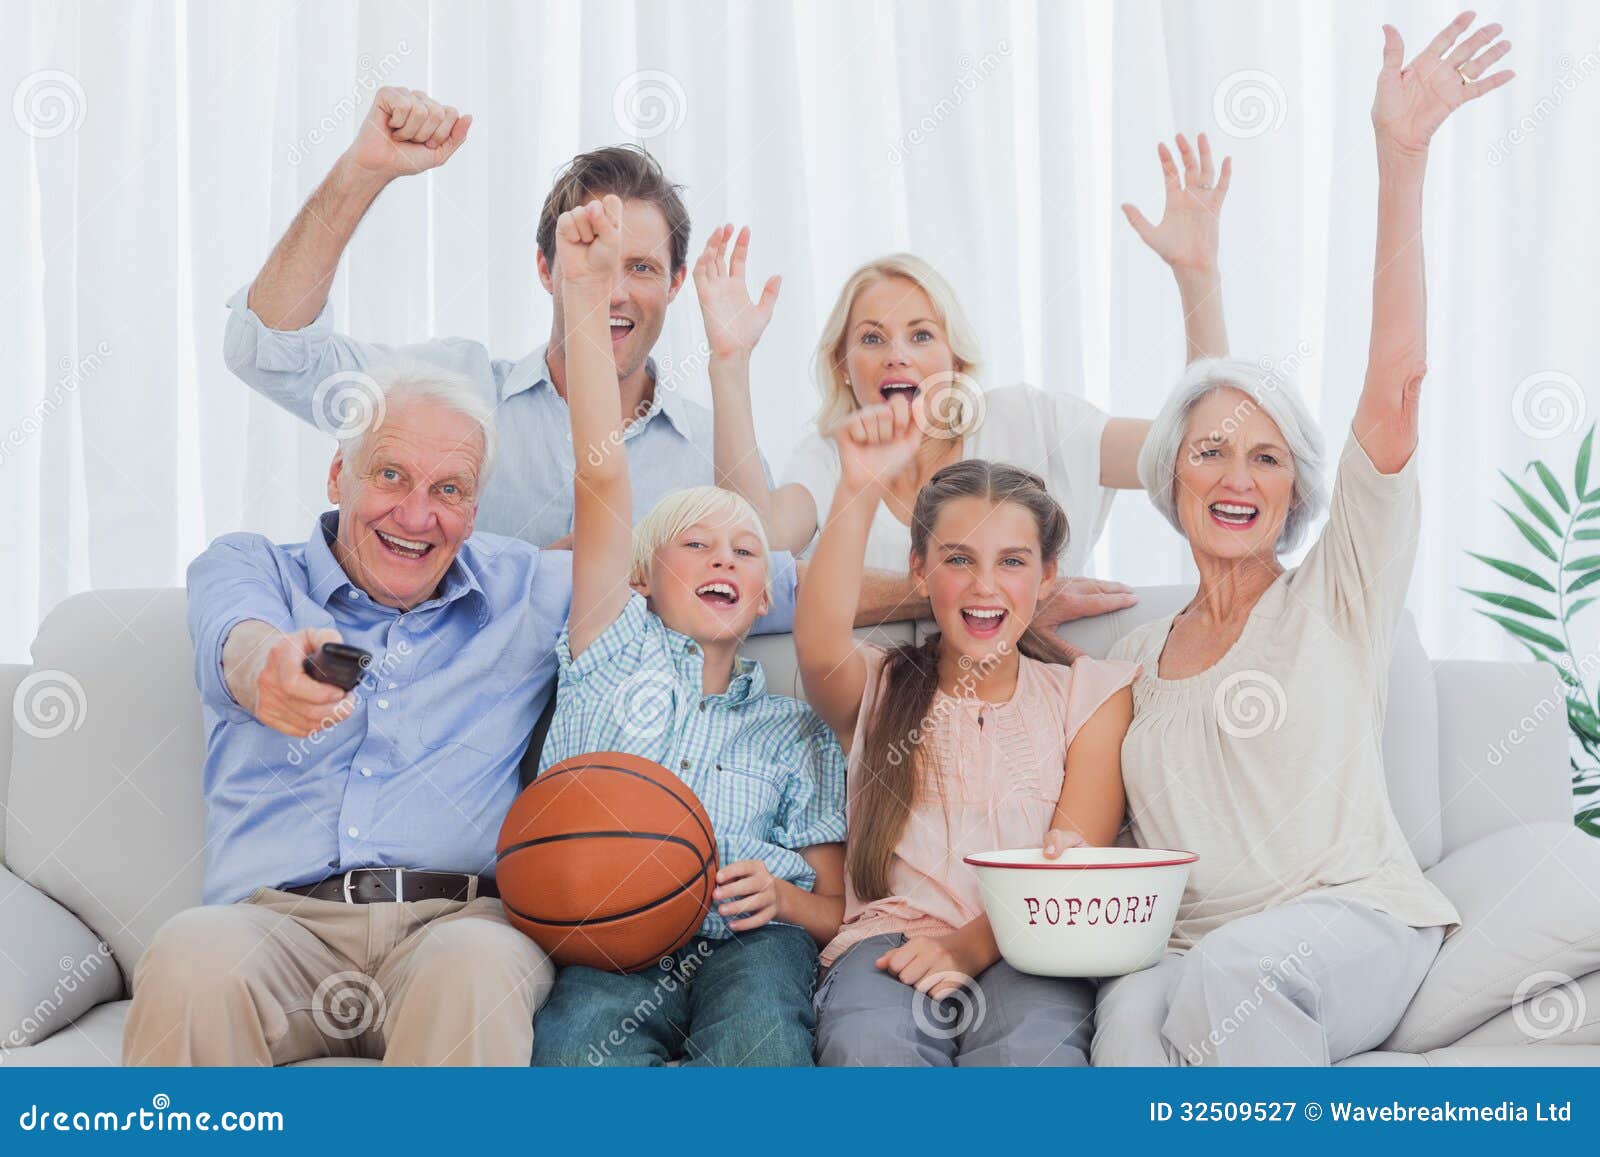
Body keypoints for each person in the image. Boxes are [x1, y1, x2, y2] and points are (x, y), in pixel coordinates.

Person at [1091, 14, 1512, 1067]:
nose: (1237, 475)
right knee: (1125, 1030)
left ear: (1296, 491)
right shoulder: (1130, 656)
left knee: (1230, 982)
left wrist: (1399, 156)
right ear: (1170, 477)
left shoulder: (1339, 586)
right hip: (1190, 948)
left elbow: (1394, 382)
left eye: (1268, 458)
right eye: (1211, 454)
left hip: (1349, 921)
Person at [124, 363, 565, 1065]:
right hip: (275, 928)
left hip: (454, 923)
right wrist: (267, 663)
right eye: (390, 475)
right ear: (340, 475)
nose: (417, 515)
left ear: (475, 510)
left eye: (448, 489)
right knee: (191, 956)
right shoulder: (251, 566)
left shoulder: (529, 590)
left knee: (478, 963)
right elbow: (238, 638)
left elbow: (725, 570)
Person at [527, 196, 846, 1067]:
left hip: (749, 945)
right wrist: (587, 300)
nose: (724, 558)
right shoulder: (607, 648)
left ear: (762, 595)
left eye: (746, 551)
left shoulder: (797, 729)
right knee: (582, 1058)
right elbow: (603, 474)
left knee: (764, 1049)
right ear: (640, 576)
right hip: (609, 939)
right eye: (695, 543)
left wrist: (784, 899)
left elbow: (839, 903)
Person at [698, 134, 1232, 620]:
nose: (897, 355)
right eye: (872, 338)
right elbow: (755, 544)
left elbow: (1198, 453)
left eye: (922, 335)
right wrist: (730, 362)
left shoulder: (1030, 421)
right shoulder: (826, 460)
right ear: (844, 366)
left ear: (956, 361)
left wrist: (1197, 277)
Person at [794, 396, 1138, 1065]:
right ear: (920, 571)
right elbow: (817, 639)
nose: (985, 586)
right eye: (958, 559)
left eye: (1012, 561)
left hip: (1029, 946)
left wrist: (967, 947)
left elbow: (1068, 873)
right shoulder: (879, 685)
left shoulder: (1089, 696)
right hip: (886, 942)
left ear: (1046, 577)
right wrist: (858, 486)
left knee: (1036, 1054)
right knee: (868, 1045)